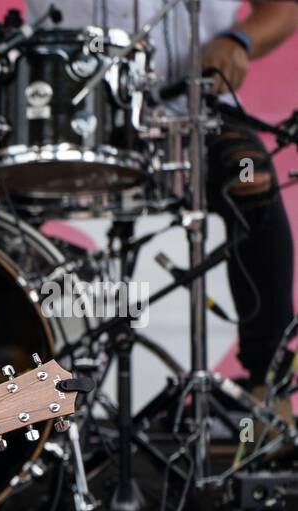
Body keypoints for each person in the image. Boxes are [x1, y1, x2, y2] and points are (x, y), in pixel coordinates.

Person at [26, 0, 298, 420]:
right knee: (4, 224)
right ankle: (7, 393)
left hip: (194, 115)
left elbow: (282, 8)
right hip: (70, 120)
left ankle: (268, 388)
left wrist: (238, 39)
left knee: (252, 178)